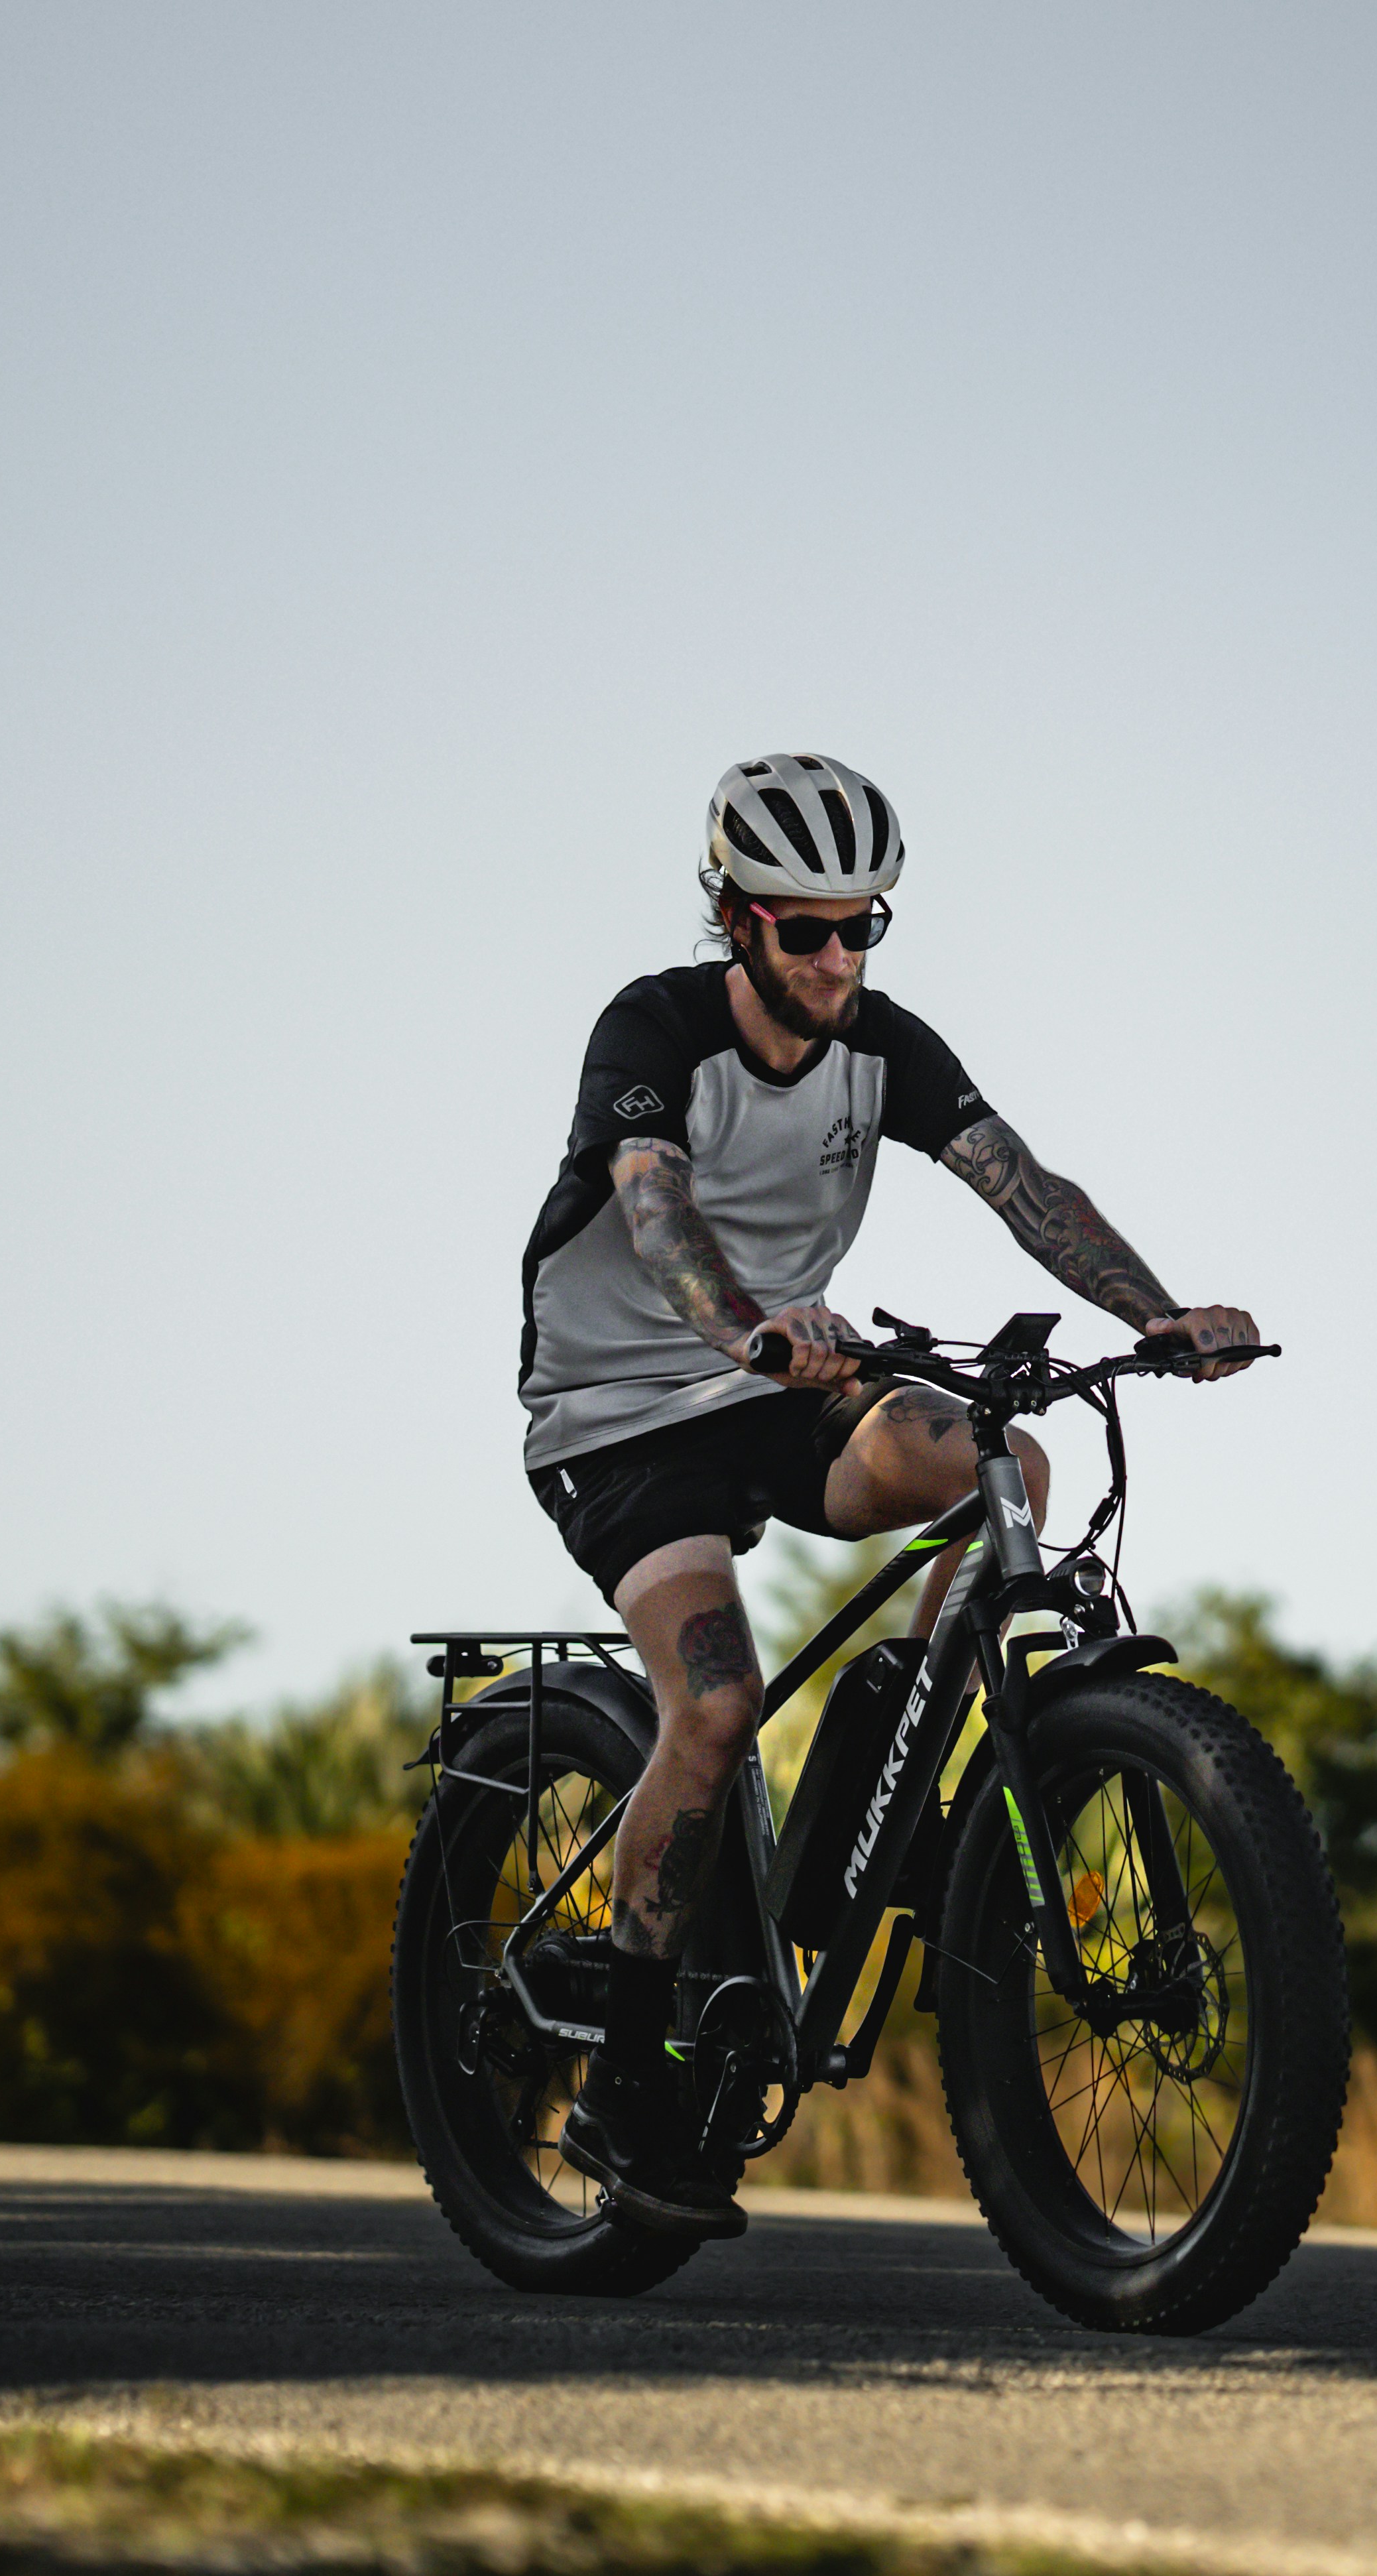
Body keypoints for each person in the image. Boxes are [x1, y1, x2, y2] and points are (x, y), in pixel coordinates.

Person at [513, 750, 1262, 2235]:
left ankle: (895, 1745)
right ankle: (627, 2077)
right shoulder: (654, 1028)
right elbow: (654, 1201)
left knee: (1007, 1461)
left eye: (863, 926)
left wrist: (1159, 1313)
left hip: (790, 1383)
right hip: (622, 1412)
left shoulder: (884, 1047)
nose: (839, 957)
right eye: (805, 930)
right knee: (715, 1710)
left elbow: (1024, 1184)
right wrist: (743, 1329)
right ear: (736, 919)